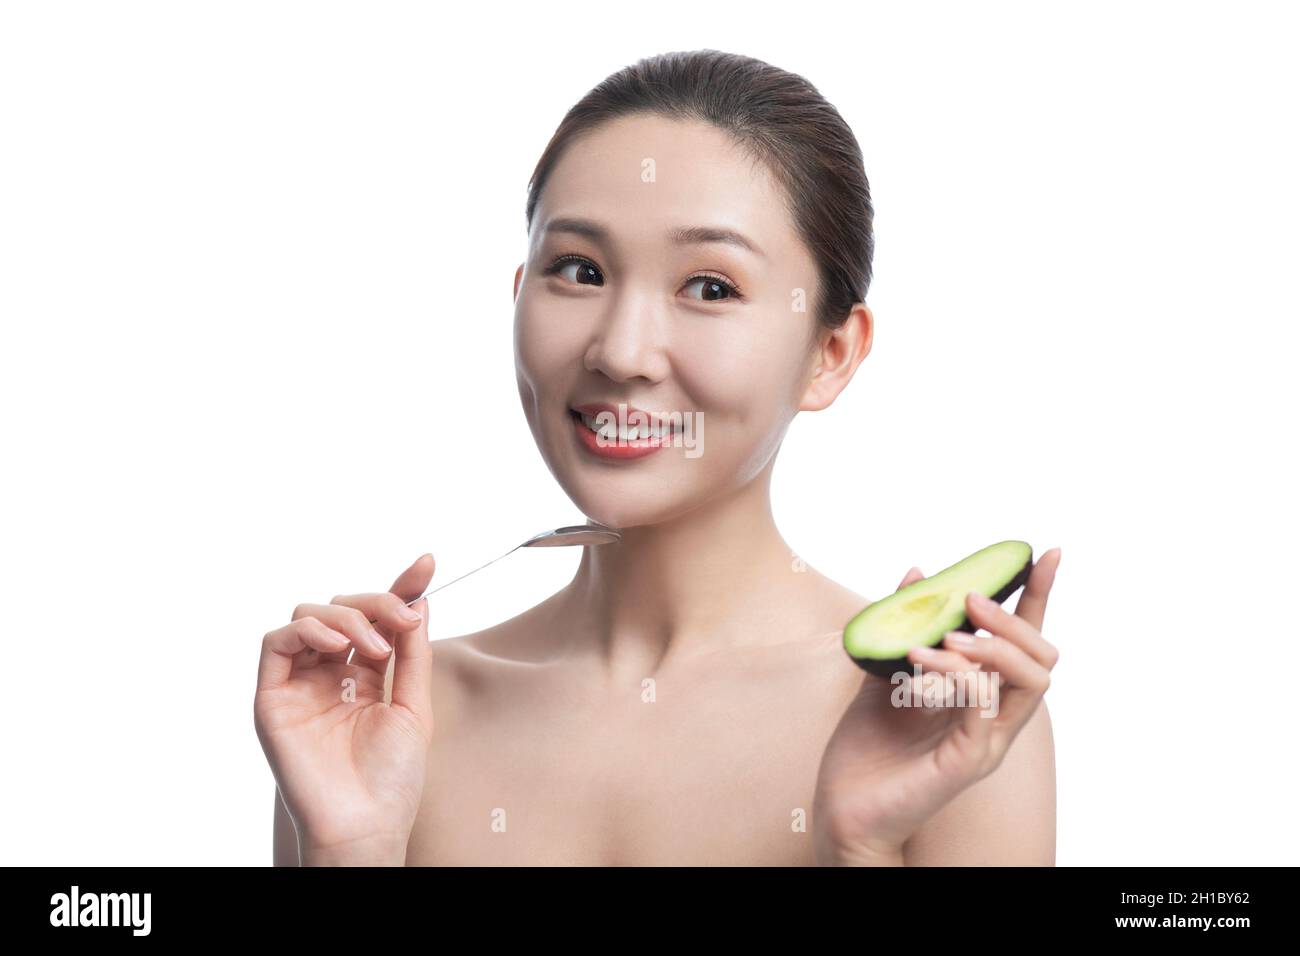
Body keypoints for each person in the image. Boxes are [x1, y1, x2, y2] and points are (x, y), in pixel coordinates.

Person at [254, 49, 1062, 866]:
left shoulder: (935, 720)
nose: (623, 351)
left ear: (832, 352)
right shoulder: (389, 728)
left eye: (710, 287)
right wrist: (349, 850)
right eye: (579, 270)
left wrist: (857, 845)